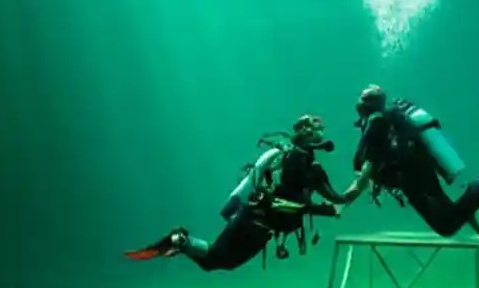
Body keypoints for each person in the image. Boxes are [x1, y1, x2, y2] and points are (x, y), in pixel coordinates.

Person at [124, 115, 355, 271]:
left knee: (214, 262)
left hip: (253, 220)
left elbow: (249, 183)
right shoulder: (301, 162)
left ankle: (182, 241)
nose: (320, 134)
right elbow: (300, 201)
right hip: (256, 224)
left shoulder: (281, 154)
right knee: (216, 261)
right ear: (306, 132)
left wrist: (231, 207)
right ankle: (180, 240)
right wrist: (344, 198)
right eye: (317, 129)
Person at [339, 85, 479, 238]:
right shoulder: (391, 123)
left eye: (360, 100)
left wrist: (345, 196)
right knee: (449, 219)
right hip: (421, 172)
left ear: (364, 105)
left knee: (446, 228)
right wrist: (470, 213)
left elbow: (366, 167)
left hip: (413, 180)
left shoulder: (375, 124)